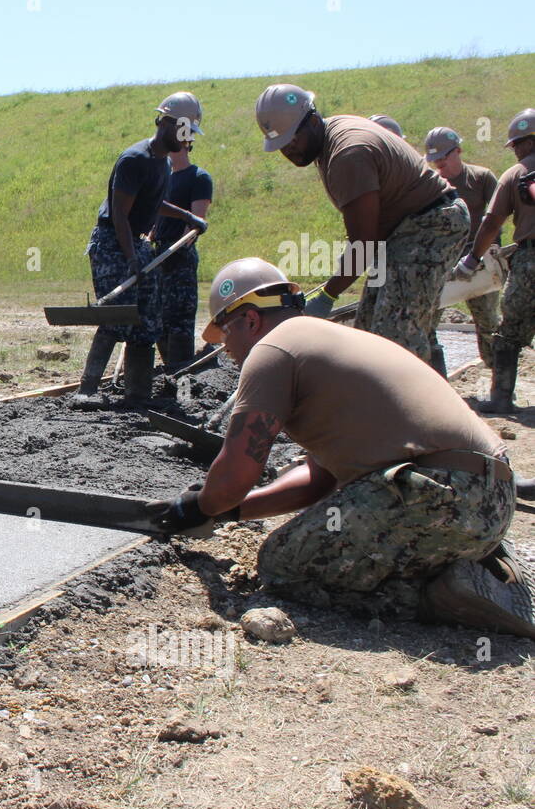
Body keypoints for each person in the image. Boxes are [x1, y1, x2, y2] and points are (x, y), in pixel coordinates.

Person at [147, 258, 520, 630]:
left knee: (284, 564)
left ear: (250, 319)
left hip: (443, 497)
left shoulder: (272, 351)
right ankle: (463, 558)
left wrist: (200, 505)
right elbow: (318, 478)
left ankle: (439, 594)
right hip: (489, 499)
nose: (226, 348)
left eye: (226, 333)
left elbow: (236, 473)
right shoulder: (325, 339)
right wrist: (228, 511)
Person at [256, 85, 469, 369]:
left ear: (314, 121)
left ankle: (412, 409)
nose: (288, 150)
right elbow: (366, 236)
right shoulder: (331, 140)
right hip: (405, 231)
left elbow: (364, 243)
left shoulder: (348, 153)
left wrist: (328, 295)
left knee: (395, 338)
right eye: (281, 145)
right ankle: (433, 401)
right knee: (372, 327)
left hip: (431, 225)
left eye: (292, 140)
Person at [75, 91, 208, 402]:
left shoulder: (161, 164)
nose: (187, 140)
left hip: (135, 243)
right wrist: (131, 257)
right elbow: (120, 212)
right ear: (165, 123)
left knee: (148, 319)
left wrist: (188, 216)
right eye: (185, 131)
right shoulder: (135, 159)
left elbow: (152, 202)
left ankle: (137, 393)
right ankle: (87, 389)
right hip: (112, 243)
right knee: (115, 316)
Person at [454, 108, 535, 414]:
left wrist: (472, 259)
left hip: (530, 263)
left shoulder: (515, 176)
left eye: (516, 145)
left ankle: (501, 398)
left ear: (527, 142)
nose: (514, 151)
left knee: (509, 332)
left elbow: (491, 223)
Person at [423, 126, 501, 369]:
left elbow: (498, 214)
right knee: (427, 324)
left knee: (488, 323)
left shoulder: (480, 178)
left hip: (480, 262)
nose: (440, 165)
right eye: (435, 161)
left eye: (444, 158)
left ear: (458, 151)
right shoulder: (431, 185)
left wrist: (492, 253)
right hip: (443, 264)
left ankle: (499, 385)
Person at [152, 140, 213, 370]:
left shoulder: (198, 177)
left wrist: (177, 249)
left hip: (179, 257)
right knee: (158, 318)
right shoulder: (162, 180)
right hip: (157, 256)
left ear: (186, 143)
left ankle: (182, 375)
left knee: (179, 319)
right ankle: (169, 371)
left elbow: (196, 223)